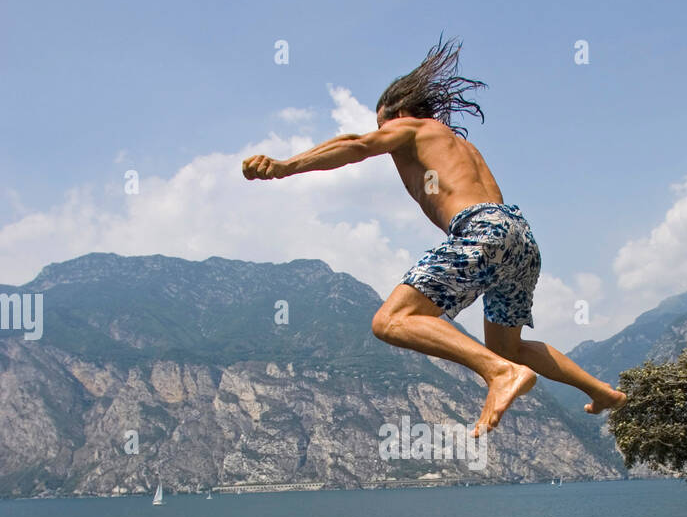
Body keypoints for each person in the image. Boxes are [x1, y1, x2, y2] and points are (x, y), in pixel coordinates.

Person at [243, 37, 626, 435]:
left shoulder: (413, 127)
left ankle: (498, 374)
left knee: (390, 320)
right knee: (508, 346)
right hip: (520, 239)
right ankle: (601, 392)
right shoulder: (462, 145)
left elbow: (355, 146)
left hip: (481, 230)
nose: (382, 136)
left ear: (401, 112)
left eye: (382, 125)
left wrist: (284, 166)